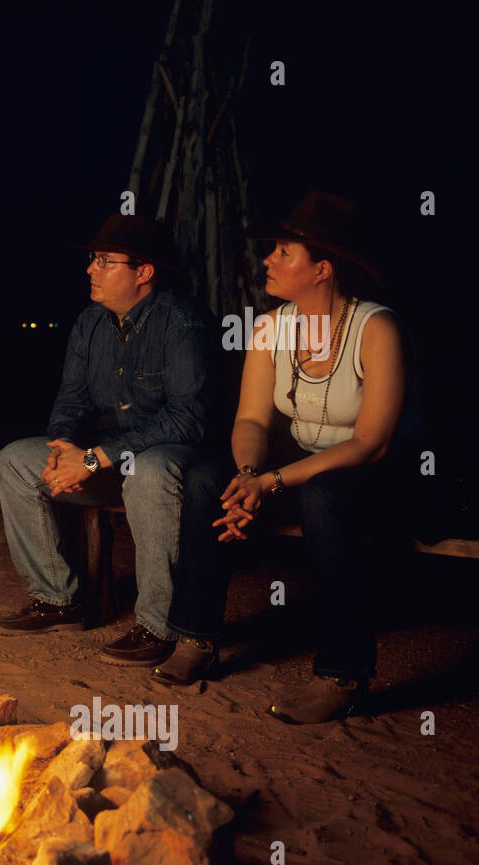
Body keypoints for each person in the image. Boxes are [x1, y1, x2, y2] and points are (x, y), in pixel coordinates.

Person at [151, 191, 406, 724]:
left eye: (284, 253)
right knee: (206, 479)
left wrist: (270, 483)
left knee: (323, 496)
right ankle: (196, 637)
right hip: (291, 465)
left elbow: (370, 442)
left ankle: (343, 674)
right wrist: (247, 477)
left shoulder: (375, 328)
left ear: (323, 269)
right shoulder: (269, 328)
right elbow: (250, 421)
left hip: (367, 476)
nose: (267, 260)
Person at [0, 213, 212, 666]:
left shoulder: (182, 321)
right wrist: (62, 452)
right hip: (107, 458)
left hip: (169, 463)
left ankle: (159, 626)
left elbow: (186, 420)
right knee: (15, 459)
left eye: (104, 261)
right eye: (94, 260)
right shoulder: (90, 323)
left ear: (143, 272)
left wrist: (91, 460)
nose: (90, 269)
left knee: (149, 469)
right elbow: (71, 402)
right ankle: (58, 599)